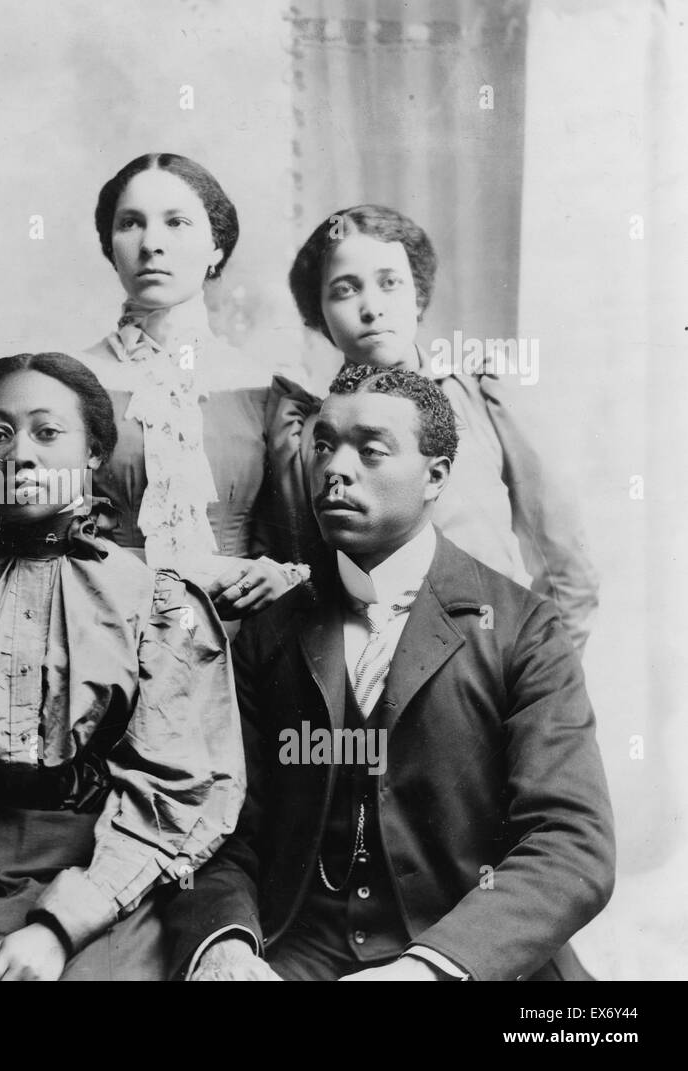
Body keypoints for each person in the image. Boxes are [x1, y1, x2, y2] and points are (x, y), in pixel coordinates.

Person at [169, 365, 614, 981]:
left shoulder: (522, 629)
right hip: (298, 953)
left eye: (370, 450)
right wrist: (225, 945)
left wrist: (430, 968)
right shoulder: (271, 630)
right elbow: (222, 827)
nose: (334, 469)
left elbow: (571, 842)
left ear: (436, 476)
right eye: (323, 445)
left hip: (469, 958)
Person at [0, 353, 245, 980]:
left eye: (48, 432)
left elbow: (174, 788)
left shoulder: (156, 604)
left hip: (99, 873)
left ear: (94, 454)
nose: (20, 455)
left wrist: (60, 930)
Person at [262, 204, 598, 649]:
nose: (371, 309)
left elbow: (565, 569)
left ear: (417, 295)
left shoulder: (482, 397)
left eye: (390, 284)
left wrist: (543, 684)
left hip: (487, 671)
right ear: (319, 314)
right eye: (345, 290)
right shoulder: (305, 434)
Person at [81, 153, 310, 622]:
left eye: (177, 222)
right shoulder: (68, 383)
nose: (151, 245)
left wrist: (286, 575)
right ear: (110, 244)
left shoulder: (270, 390)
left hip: (241, 641)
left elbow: (309, 543)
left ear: (216, 248)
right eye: (130, 224)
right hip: (105, 631)